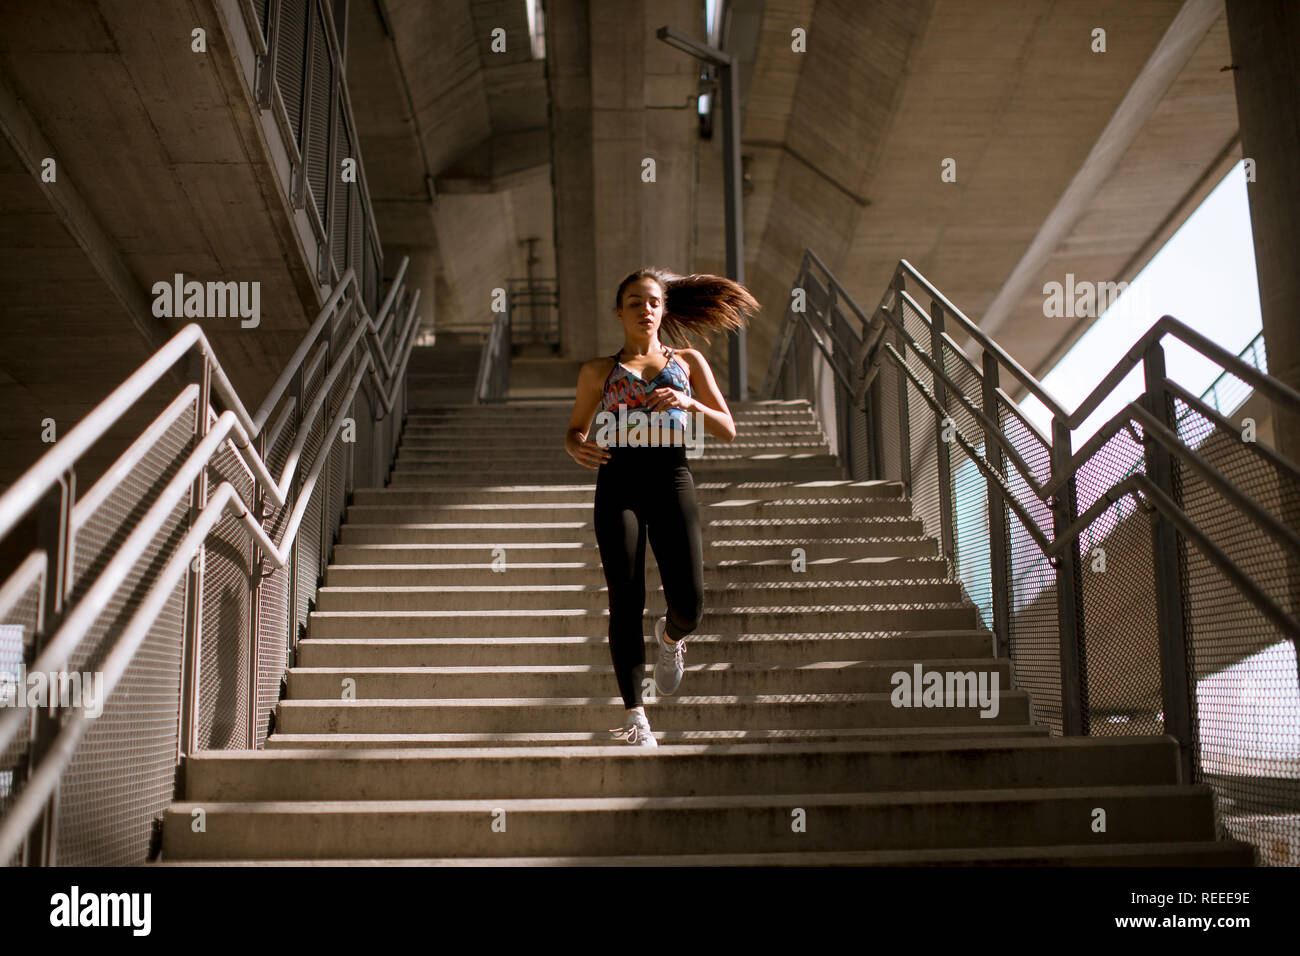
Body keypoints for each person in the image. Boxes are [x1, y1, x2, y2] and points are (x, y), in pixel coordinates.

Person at [564, 268, 760, 746]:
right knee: (625, 599)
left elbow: (726, 428)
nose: (645, 309)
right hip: (618, 482)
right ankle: (636, 718)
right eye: (634, 302)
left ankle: (671, 638)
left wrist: (689, 405)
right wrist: (577, 447)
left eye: (652, 301)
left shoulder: (688, 361)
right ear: (619, 312)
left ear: (664, 310)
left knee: (690, 604)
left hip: (672, 478)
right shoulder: (597, 370)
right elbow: (575, 430)